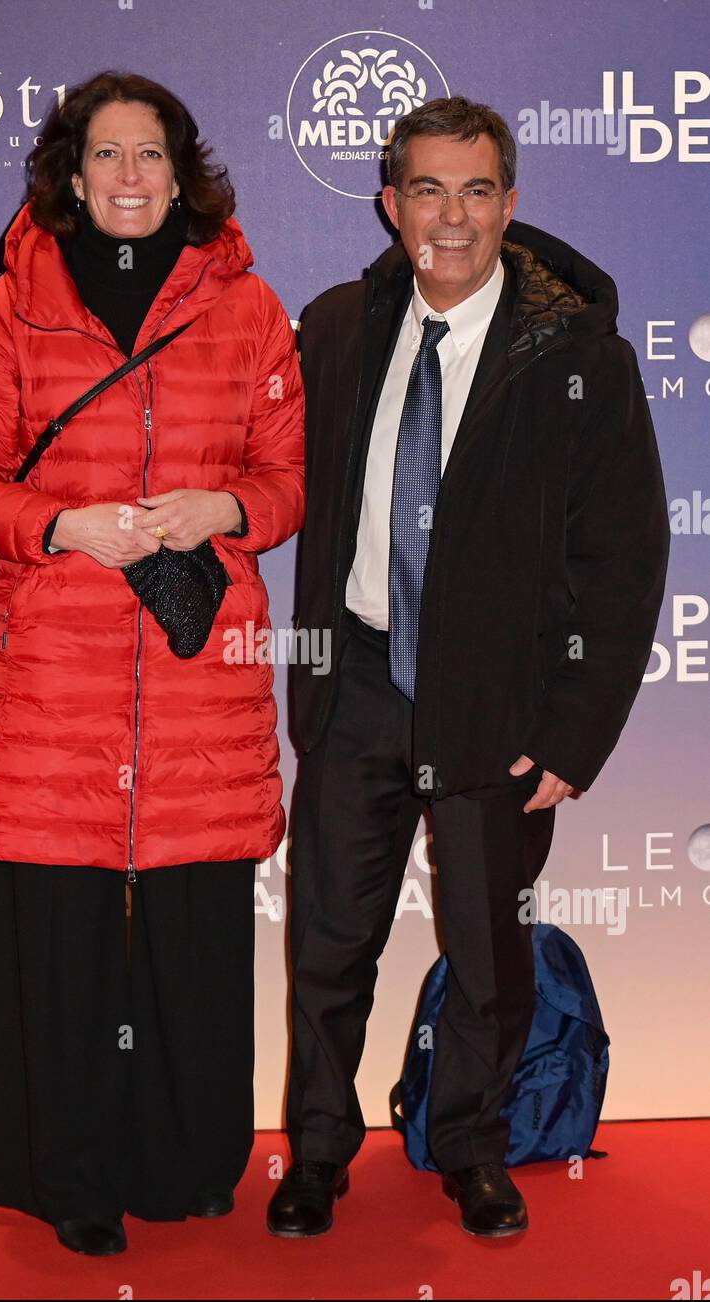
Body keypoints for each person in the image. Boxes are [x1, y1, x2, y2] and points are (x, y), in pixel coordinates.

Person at [269, 96, 668, 1239]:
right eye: (427, 191)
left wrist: (574, 731)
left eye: (476, 190)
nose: (451, 217)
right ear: (390, 203)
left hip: (496, 710)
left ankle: (471, 1145)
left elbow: (623, 557)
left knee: (488, 954)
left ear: (510, 202)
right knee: (326, 945)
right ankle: (314, 1152)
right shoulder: (336, 325)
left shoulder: (574, 355)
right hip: (354, 690)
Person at [0, 70, 304, 1256]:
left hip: (196, 678)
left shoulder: (249, 311)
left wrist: (222, 505)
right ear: (71, 174)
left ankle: (186, 1164)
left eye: (151, 155)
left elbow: (287, 483)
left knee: (194, 929)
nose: (129, 177)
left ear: (182, 172)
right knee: (58, 927)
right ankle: (65, 1174)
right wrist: (56, 524)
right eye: (107, 155)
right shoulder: (10, 310)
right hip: (52, 677)